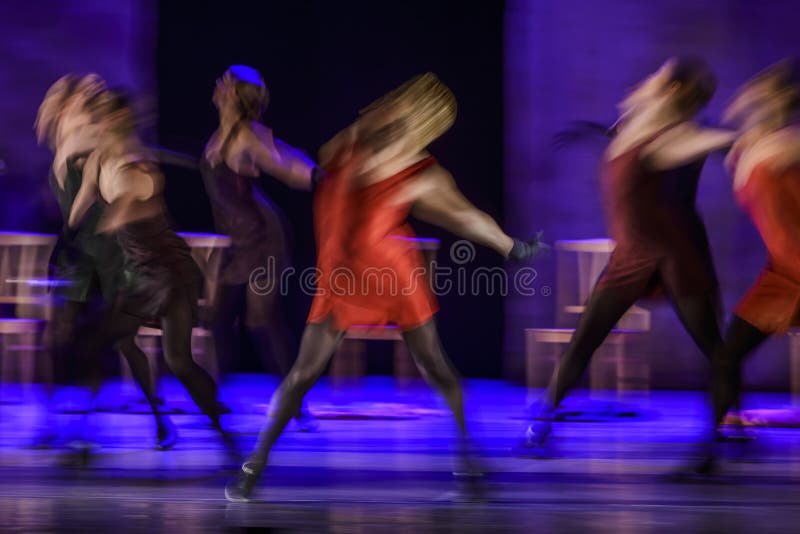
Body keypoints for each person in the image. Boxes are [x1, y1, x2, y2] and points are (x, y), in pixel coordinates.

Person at [225, 72, 547, 501]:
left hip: (393, 276)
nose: (399, 112)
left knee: (434, 364)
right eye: (402, 105)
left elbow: (464, 216)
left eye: (412, 111)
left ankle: (469, 457)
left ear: (424, 121)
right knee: (303, 373)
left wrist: (512, 248)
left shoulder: (424, 172)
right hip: (340, 277)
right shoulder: (357, 138)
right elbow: (322, 161)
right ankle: (254, 465)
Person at [521, 57, 736, 451]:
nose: (645, 79)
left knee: (715, 350)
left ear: (670, 90)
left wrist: (743, 140)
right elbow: (624, 152)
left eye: (656, 75)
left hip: (675, 256)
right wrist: (589, 132)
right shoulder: (630, 128)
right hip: (631, 255)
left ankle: (724, 432)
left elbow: (711, 141)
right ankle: (541, 422)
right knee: (584, 340)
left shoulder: (677, 136)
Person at [68, 88, 236, 461]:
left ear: (113, 122)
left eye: (97, 121)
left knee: (179, 361)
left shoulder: (138, 168)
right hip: (140, 276)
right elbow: (78, 212)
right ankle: (92, 434)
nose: (91, 128)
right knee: (103, 341)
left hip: (171, 275)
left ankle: (227, 439)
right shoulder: (99, 161)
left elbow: (119, 213)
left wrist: (104, 226)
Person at [34, 75, 175, 453]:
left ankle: (159, 420)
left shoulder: (96, 138)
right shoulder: (66, 138)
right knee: (59, 335)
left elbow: (124, 150)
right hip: (79, 253)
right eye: (84, 92)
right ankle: (55, 422)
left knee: (121, 341)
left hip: (110, 252)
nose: (91, 93)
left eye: (94, 93)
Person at [200, 65, 317, 430]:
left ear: (234, 93)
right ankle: (215, 400)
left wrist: (317, 175)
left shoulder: (248, 136)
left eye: (224, 80)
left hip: (265, 239)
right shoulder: (219, 136)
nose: (218, 84)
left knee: (262, 321)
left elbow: (283, 162)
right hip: (239, 241)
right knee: (219, 318)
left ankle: (296, 404)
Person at [705, 60, 800, 471]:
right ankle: (724, 439)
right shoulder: (744, 148)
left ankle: (717, 448)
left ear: (780, 100)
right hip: (783, 271)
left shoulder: (788, 143)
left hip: (795, 272)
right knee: (726, 356)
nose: (747, 97)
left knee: (727, 355)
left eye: (760, 93)